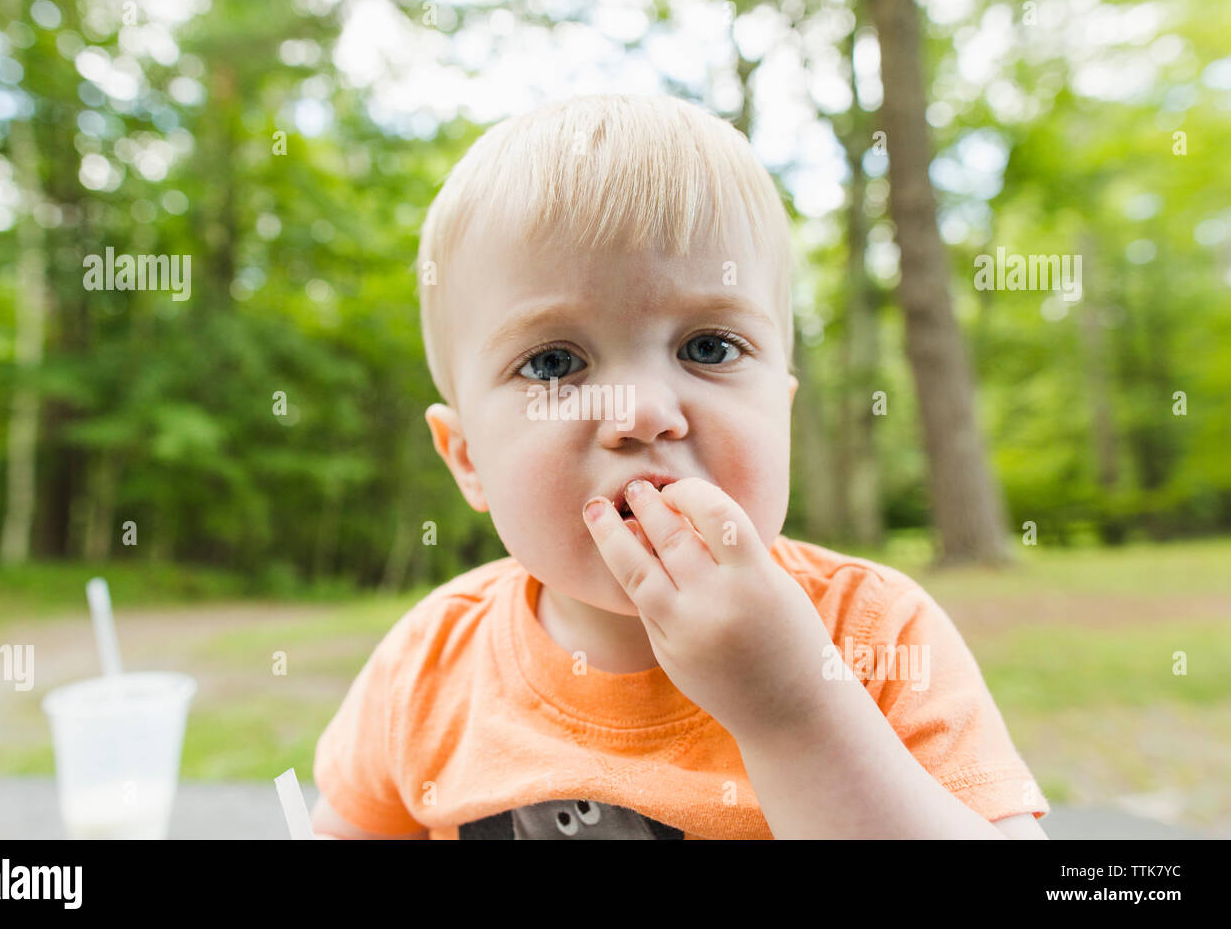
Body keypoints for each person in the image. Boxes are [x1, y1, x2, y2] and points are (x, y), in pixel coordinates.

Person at [311, 93, 1049, 839]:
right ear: (468, 460)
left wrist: (793, 711)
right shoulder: (429, 665)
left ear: (783, 417)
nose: (641, 412)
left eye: (709, 348)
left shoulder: (873, 635)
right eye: (555, 362)